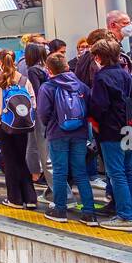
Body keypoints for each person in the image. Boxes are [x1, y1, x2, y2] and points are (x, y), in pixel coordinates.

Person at [88, 38, 132, 231]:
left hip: (111, 131)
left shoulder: (102, 77)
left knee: (116, 173)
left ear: (99, 57)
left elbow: (99, 106)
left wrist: (95, 122)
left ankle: (125, 216)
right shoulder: (127, 75)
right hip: (129, 128)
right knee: (127, 170)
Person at [36, 52, 96, 224]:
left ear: (49, 69)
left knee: (60, 172)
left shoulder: (47, 87)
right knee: (81, 173)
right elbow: (90, 109)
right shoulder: (81, 86)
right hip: (80, 133)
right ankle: (89, 213)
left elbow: (43, 113)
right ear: (67, 67)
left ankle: (60, 210)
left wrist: (52, 124)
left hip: (57, 133)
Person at [0, 50, 37, 209]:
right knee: (21, 158)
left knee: (10, 160)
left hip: (2, 125)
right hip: (22, 124)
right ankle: (31, 198)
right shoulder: (24, 80)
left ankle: (15, 199)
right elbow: (33, 103)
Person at [23, 42, 50, 191]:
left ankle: (36, 173)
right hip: (40, 111)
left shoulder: (35, 69)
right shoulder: (36, 70)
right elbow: (37, 92)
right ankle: (36, 174)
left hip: (38, 111)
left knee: (37, 143)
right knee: (37, 143)